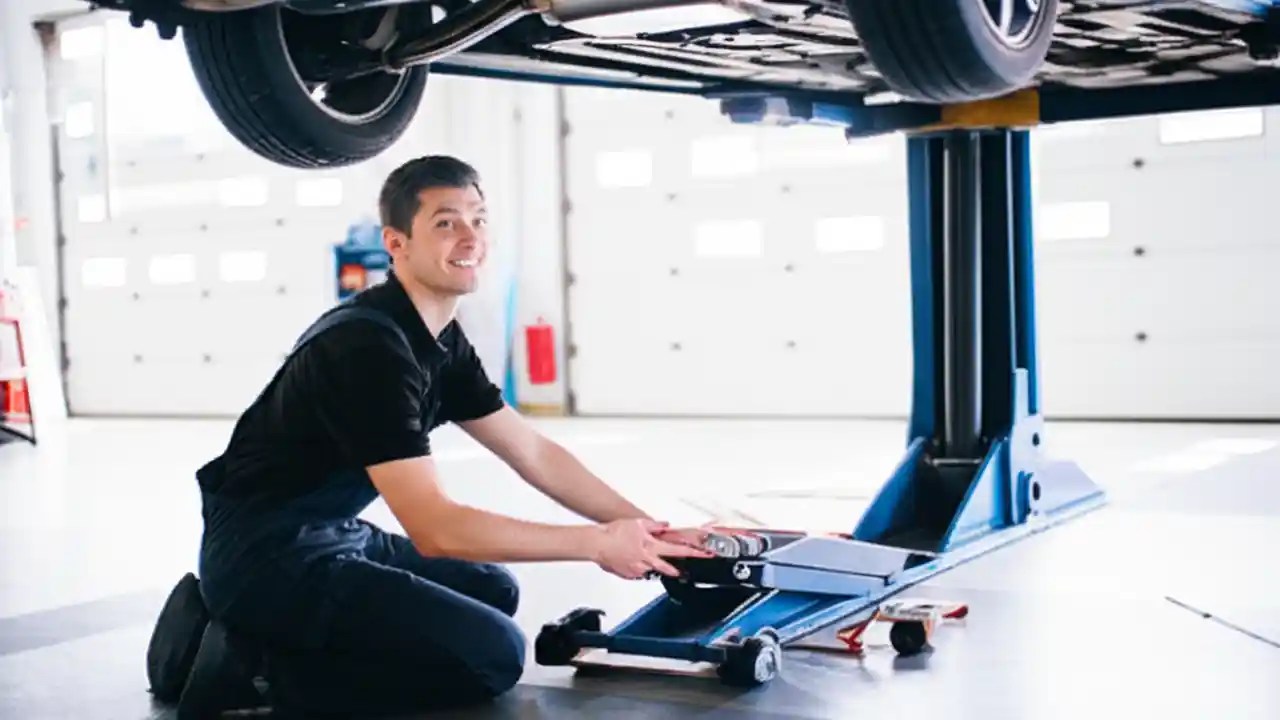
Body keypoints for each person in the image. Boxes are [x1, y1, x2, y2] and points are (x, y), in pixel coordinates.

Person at [148, 155, 713, 718]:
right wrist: (593, 544)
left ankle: (261, 632)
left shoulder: (436, 336)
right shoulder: (369, 351)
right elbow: (436, 528)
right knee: (492, 656)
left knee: (493, 589)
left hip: (329, 532)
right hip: (267, 557)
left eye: (479, 218)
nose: (470, 237)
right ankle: (253, 664)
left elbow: (533, 452)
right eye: (446, 222)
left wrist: (644, 528)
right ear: (397, 244)